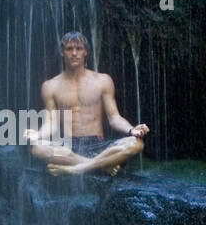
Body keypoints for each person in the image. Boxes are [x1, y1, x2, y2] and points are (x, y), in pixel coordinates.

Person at [25, 32, 149, 176]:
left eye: (78, 48)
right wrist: (37, 134)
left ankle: (76, 168)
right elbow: (51, 123)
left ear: (86, 52)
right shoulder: (50, 86)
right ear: (62, 52)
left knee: (136, 143)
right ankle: (102, 165)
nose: (74, 53)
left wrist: (131, 130)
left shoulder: (103, 80)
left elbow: (114, 118)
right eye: (69, 49)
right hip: (69, 145)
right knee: (37, 147)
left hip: (98, 143)